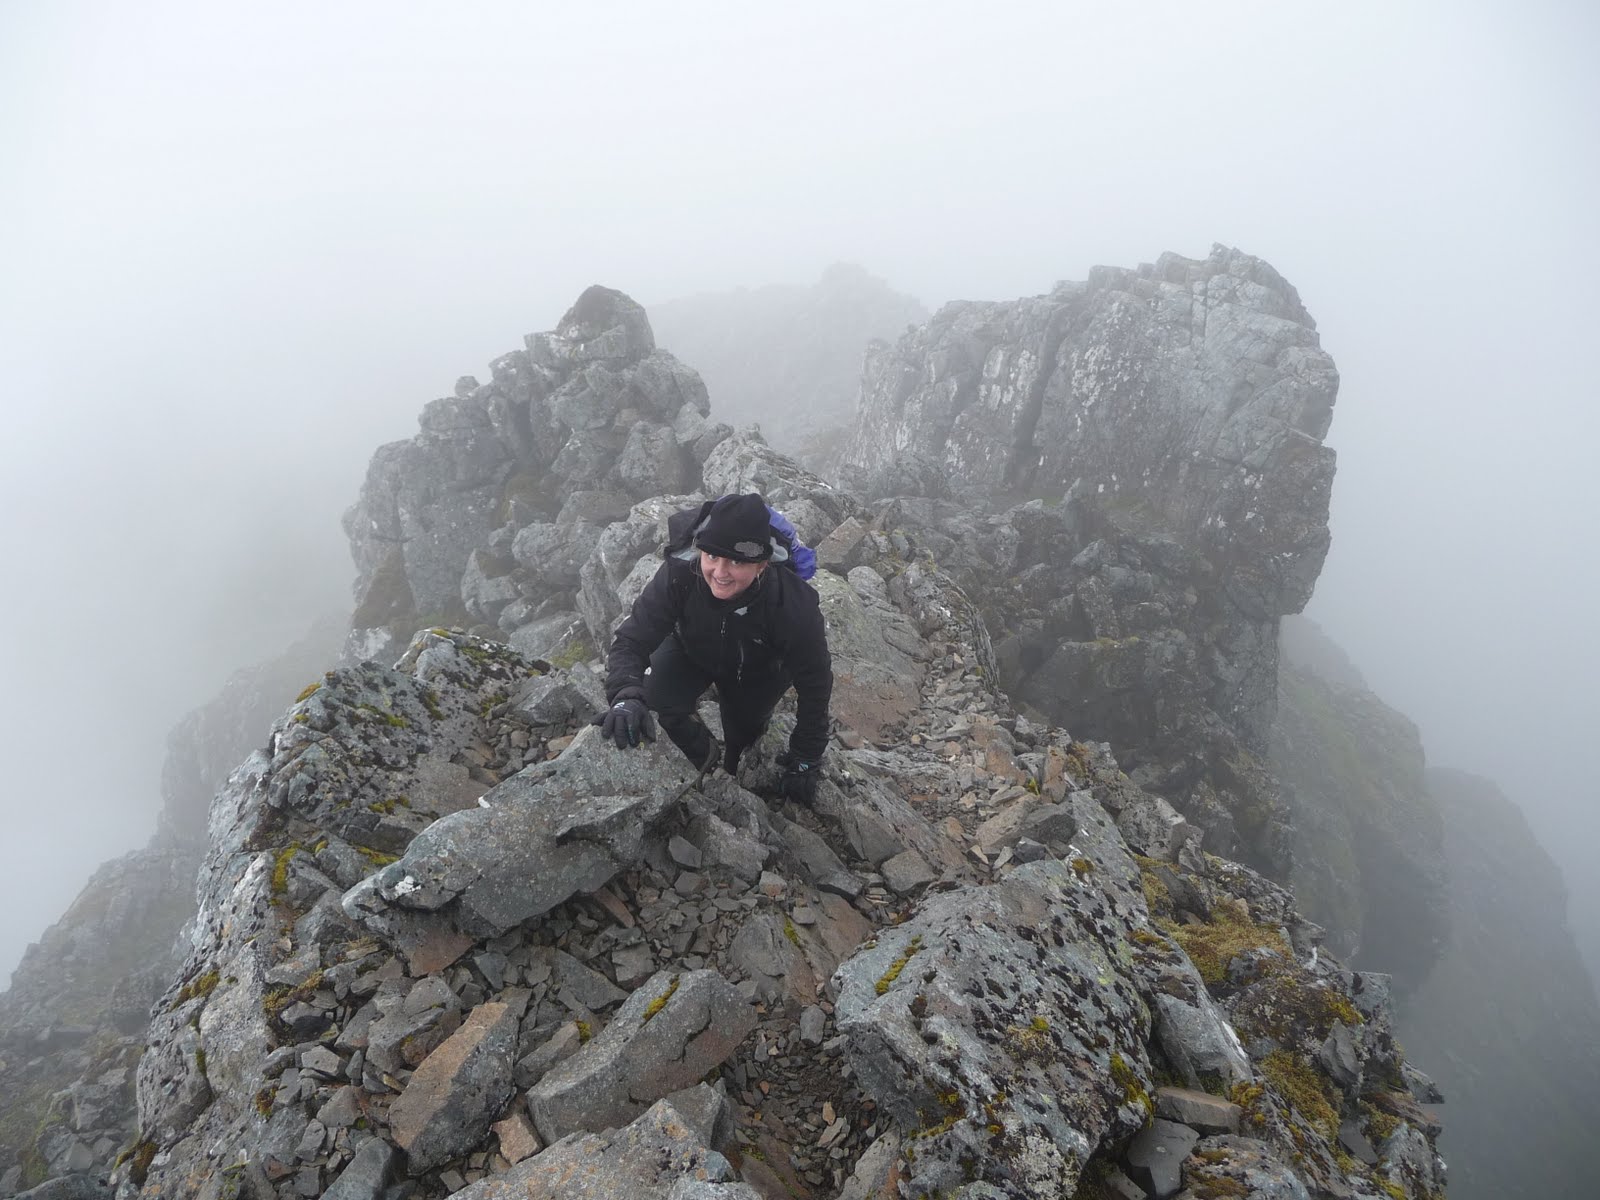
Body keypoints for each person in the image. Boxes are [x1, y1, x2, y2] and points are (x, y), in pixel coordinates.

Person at [597, 492, 832, 804]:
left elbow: (815, 682)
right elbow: (632, 638)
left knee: (743, 736)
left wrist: (806, 755)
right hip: (690, 649)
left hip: (758, 672)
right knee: (656, 703)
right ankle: (703, 756)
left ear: (762, 565)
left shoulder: (792, 604)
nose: (720, 573)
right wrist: (625, 693)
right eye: (711, 557)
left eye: (736, 561)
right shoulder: (679, 574)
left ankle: (731, 767)